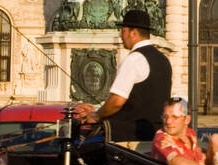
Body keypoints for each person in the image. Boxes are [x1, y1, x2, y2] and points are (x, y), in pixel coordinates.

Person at [73, 9, 171, 143]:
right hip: (154, 135)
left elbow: (117, 101)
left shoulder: (134, 58)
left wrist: (95, 116)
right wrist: (96, 108)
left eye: (123, 30)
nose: (120, 35)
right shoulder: (163, 59)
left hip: (128, 138)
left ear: (133, 33)